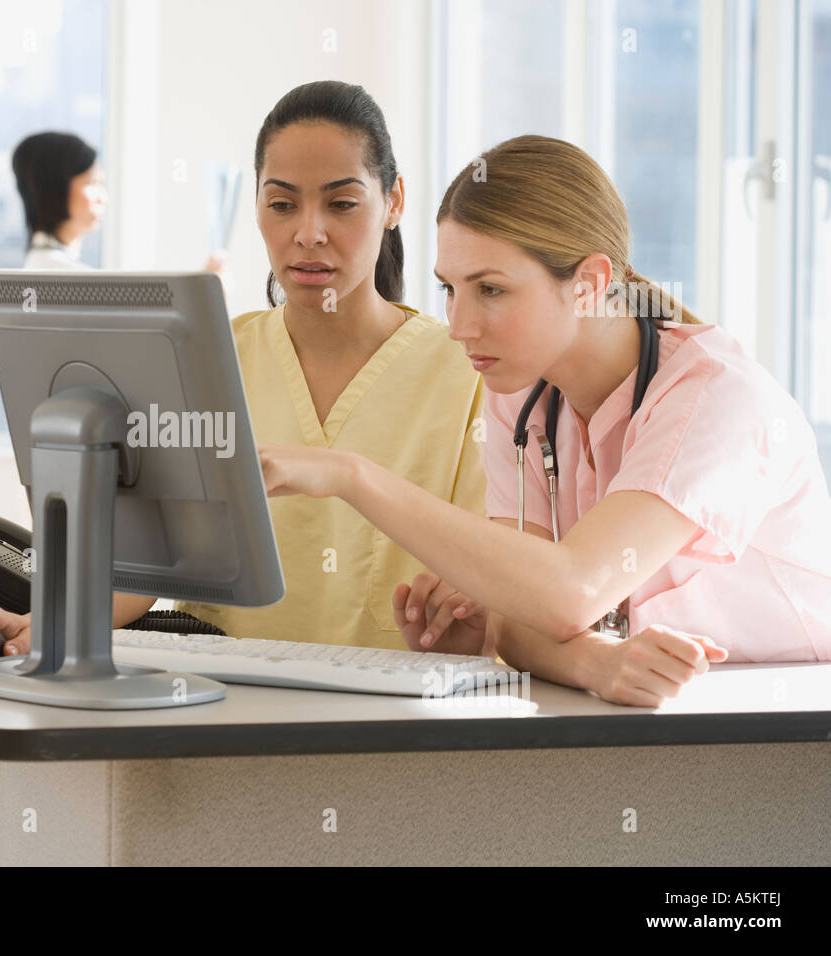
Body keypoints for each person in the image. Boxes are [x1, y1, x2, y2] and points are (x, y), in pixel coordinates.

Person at [0, 81, 486, 667]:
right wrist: (38, 624)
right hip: (226, 708)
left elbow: (493, 575)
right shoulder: (208, 356)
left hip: (397, 720)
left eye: (342, 204)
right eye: (283, 204)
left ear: (393, 202)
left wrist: (472, 608)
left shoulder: (468, 372)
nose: (309, 233)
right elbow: (152, 562)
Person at [257, 134, 831, 706]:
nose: (458, 325)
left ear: (590, 284)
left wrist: (354, 476)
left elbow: (570, 591)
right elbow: (514, 618)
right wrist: (592, 661)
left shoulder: (714, 398)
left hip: (792, 719)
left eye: (490, 290)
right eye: (449, 290)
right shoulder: (523, 392)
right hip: (670, 718)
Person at [11, 132, 106, 270]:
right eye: (92, 182)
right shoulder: (73, 276)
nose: (103, 198)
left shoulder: (38, 262)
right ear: (56, 188)